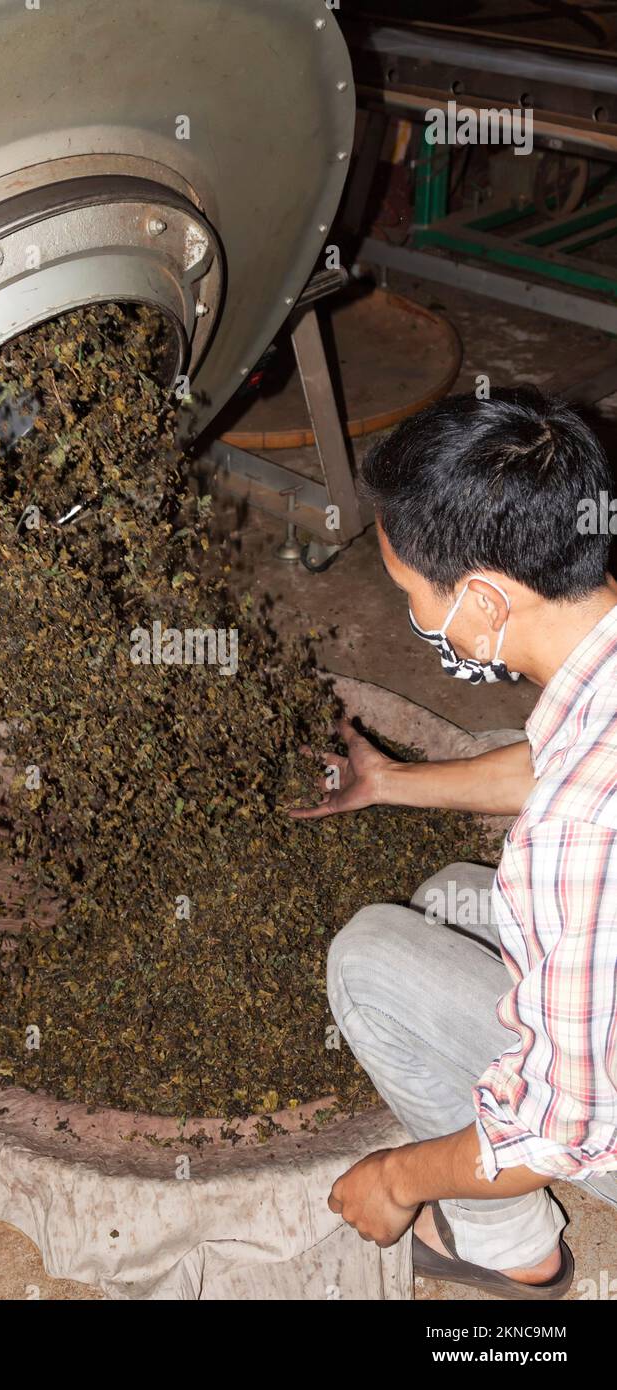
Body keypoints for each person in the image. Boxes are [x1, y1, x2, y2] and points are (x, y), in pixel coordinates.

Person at [291, 387, 617, 1298]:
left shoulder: (573, 841)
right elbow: (561, 761)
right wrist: (388, 785)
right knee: (445, 897)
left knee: (368, 957)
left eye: (409, 595)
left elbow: (563, 1131)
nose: (414, 619)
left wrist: (393, 1182)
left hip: (594, 1113)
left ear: (482, 599)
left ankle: (514, 1252)